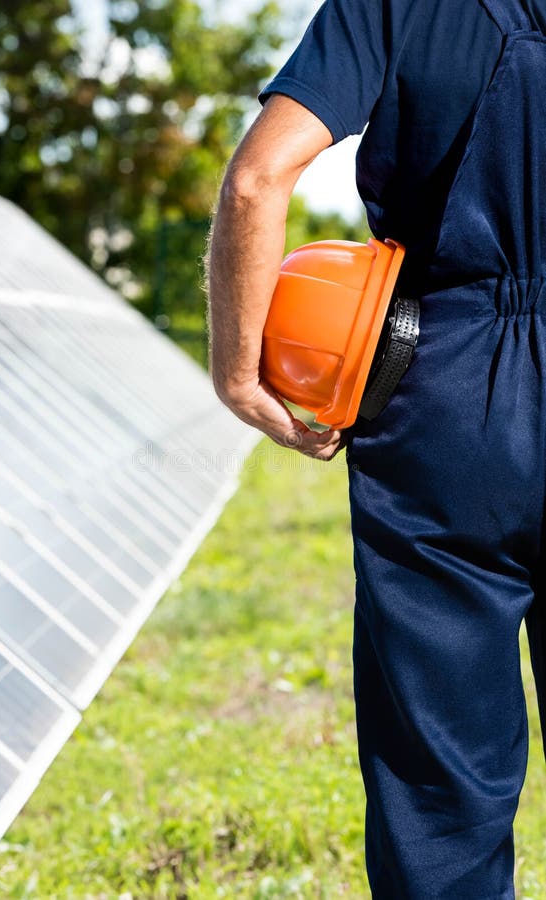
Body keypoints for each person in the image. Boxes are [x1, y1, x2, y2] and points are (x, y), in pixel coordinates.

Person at [206, 0, 546, 896]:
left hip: (440, 384)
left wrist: (238, 376)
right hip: (456, 363)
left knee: (439, 789)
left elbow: (256, 178)